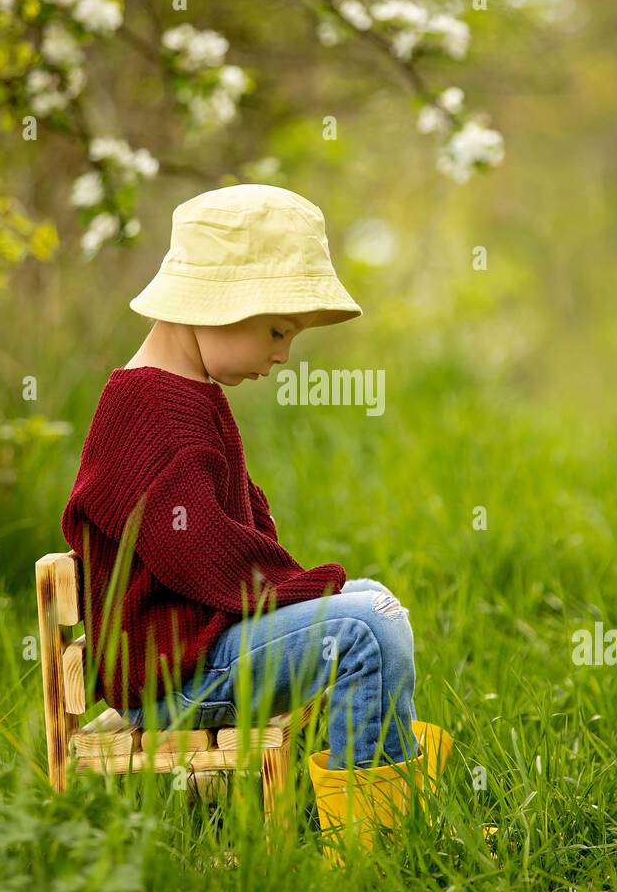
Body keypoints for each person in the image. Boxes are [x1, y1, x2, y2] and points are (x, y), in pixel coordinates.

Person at [61, 184, 452, 855]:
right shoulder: (150, 409)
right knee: (366, 629)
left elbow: (238, 516)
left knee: (371, 606)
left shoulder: (182, 393)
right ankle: (374, 846)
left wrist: (302, 589)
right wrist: (302, 589)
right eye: (277, 331)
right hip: (171, 679)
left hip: (194, 653)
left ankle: (390, 814)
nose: (282, 356)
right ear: (215, 304)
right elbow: (201, 552)